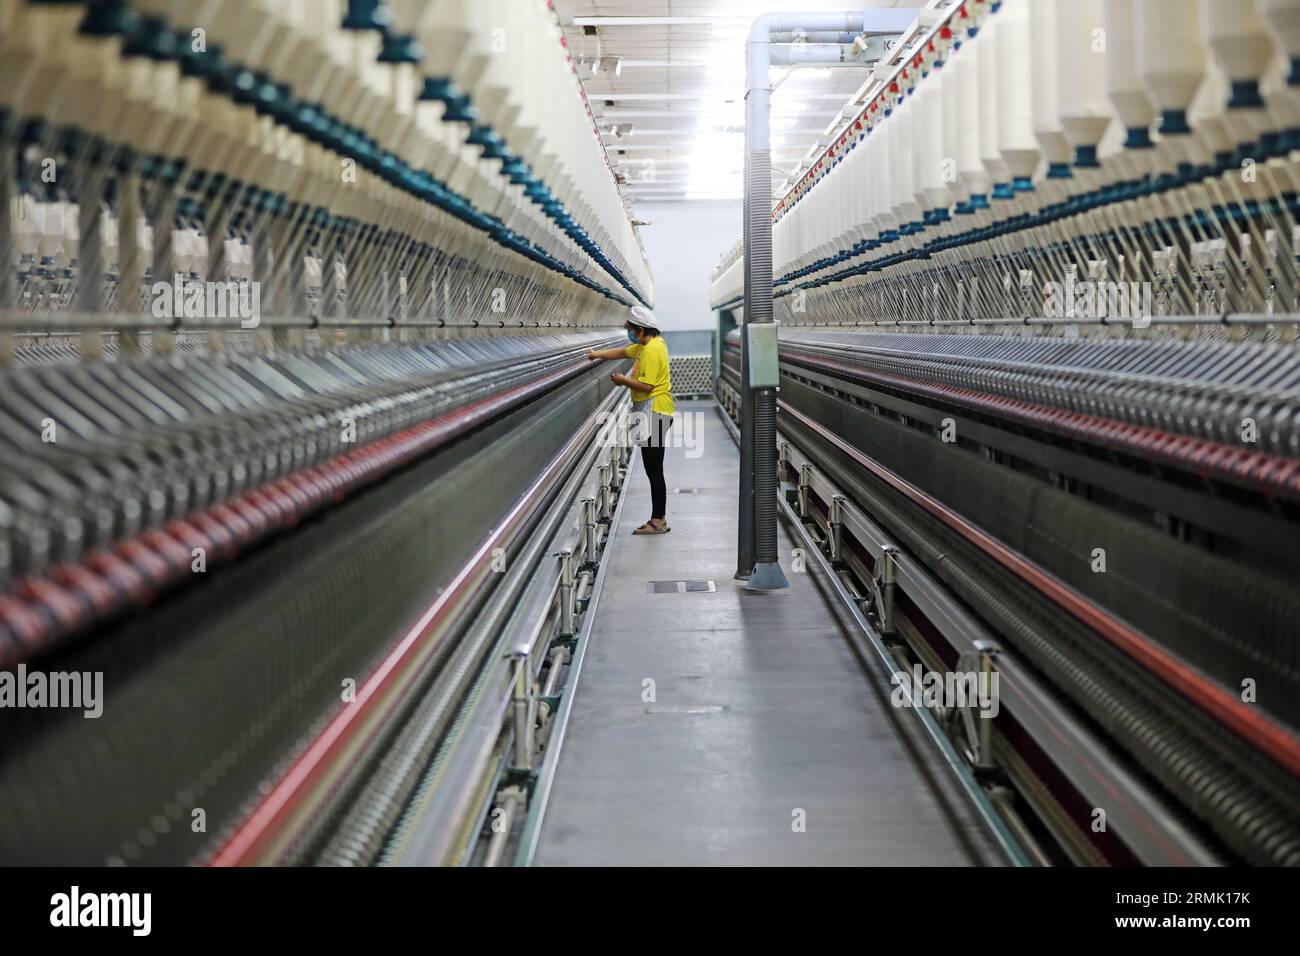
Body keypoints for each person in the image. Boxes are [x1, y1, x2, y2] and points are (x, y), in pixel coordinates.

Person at [586, 306, 675, 534]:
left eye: (631, 330)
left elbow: (647, 386)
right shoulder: (650, 345)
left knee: (654, 468)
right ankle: (658, 519)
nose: (629, 333)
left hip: (654, 411)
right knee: (652, 467)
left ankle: (658, 520)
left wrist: (623, 380)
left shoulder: (651, 351)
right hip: (651, 411)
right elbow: (623, 352)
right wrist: (597, 354)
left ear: (642, 330)